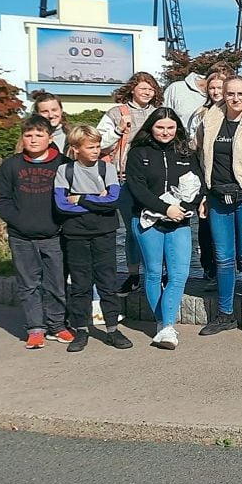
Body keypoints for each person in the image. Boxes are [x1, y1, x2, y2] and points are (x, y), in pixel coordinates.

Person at [196, 76, 242, 338]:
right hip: (217, 198)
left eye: (240, 93)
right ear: (222, 95)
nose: (235, 98)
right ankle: (225, 314)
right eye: (230, 94)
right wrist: (204, 195)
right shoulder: (210, 121)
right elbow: (202, 160)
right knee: (223, 259)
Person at [125, 108, 204, 349]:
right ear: (151, 127)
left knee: (180, 274)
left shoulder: (185, 152)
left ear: (177, 129)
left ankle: (165, 326)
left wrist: (185, 207)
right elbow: (137, 188)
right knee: (153, 273)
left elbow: (197, 182)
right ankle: (166, 325)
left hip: (179, 220)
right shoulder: (139, 153)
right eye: (160, 127)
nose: (165, 132)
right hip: (148, 220)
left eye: (170, 127)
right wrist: (164, 207)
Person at [0, 115, 71, 350]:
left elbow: (72, 197)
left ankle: (58, 325)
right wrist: (19, 221)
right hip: (21, 236)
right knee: (29, 284)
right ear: (22, 138)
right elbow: (0, 199)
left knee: (56, 283)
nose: (33, 139)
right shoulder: (11, 165)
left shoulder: (64, 164)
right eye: (28, 135)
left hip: (54, 235)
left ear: (49, 137)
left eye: (39, 135)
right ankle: (35, 329)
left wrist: (61, 221)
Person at [53, 124, 131, 352]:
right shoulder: (65, 171)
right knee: (80, 285)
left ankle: (112, 329)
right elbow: (60, 205)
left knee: (108, 283)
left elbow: (113, 201)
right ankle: (81, 329)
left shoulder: (106, 169)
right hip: (76, 234)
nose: (96, 151)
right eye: (91, 147)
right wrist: (97, 200)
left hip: (104, 233)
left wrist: (80, 199)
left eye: (98, 146)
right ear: (76, 149)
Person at [97, 72, 165, 296]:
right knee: (133, 230)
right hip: (124, 178)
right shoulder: (116, 112)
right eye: (143, 88)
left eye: (151, 88)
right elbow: (98, 144)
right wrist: (117, 130)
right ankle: (134, 275)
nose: (147, 92)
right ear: (132, 89)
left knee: (159, 228)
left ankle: (159, 274)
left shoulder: (158, 113)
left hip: (154, 179)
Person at [187, 70, 229, 287]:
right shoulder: (199, 114)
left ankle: (228, 272)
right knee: (205, 226)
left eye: (219, 87)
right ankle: (209, 269)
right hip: (205, 176)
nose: (215, 92)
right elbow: (192, 147)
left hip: (230, 179)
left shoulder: (235, 112)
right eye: (212, 87)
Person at [163, 61, 236, 131]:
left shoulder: (224, 101)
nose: (216, 92)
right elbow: (161, 116)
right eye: (212, 88)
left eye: (221, 88)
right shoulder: (176, 88)